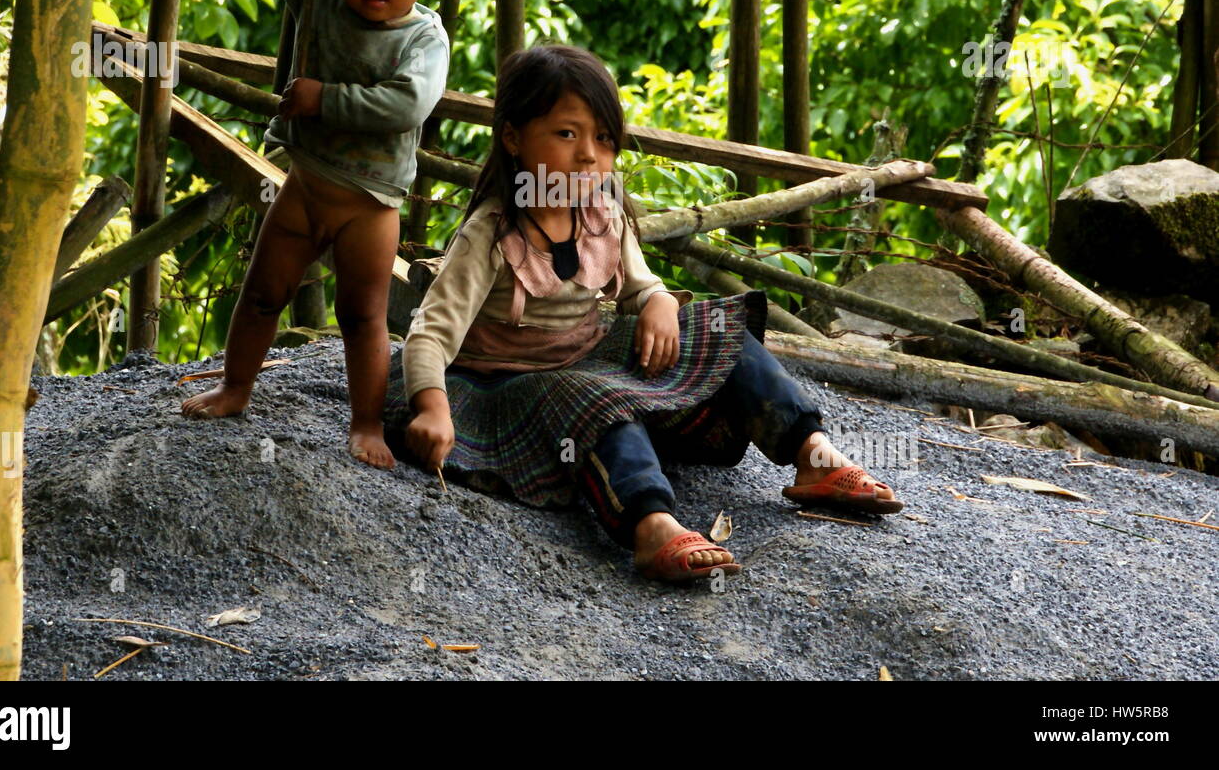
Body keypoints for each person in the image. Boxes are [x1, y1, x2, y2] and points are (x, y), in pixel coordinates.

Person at [378, 44, 902, 584]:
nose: (588, 156)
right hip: (503, 384)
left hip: (586, 351)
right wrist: (432, 407)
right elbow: (431, 333)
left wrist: (655, 305)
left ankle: (812, 453)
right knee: (595, 400)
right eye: (566, 134)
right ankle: (653, 525)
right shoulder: (491, 233)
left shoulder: (603, 213)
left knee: (721, 328)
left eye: (603, 139)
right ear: (513, 137)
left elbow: (641, 284)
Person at [182, 0, 449, 473]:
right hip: (305, 186)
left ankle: (365, 424)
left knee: (364, 317)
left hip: (371, 204)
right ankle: (235, 387)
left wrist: (322, 97)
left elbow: (406, 104)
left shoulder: (424, 39)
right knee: (260, 294)